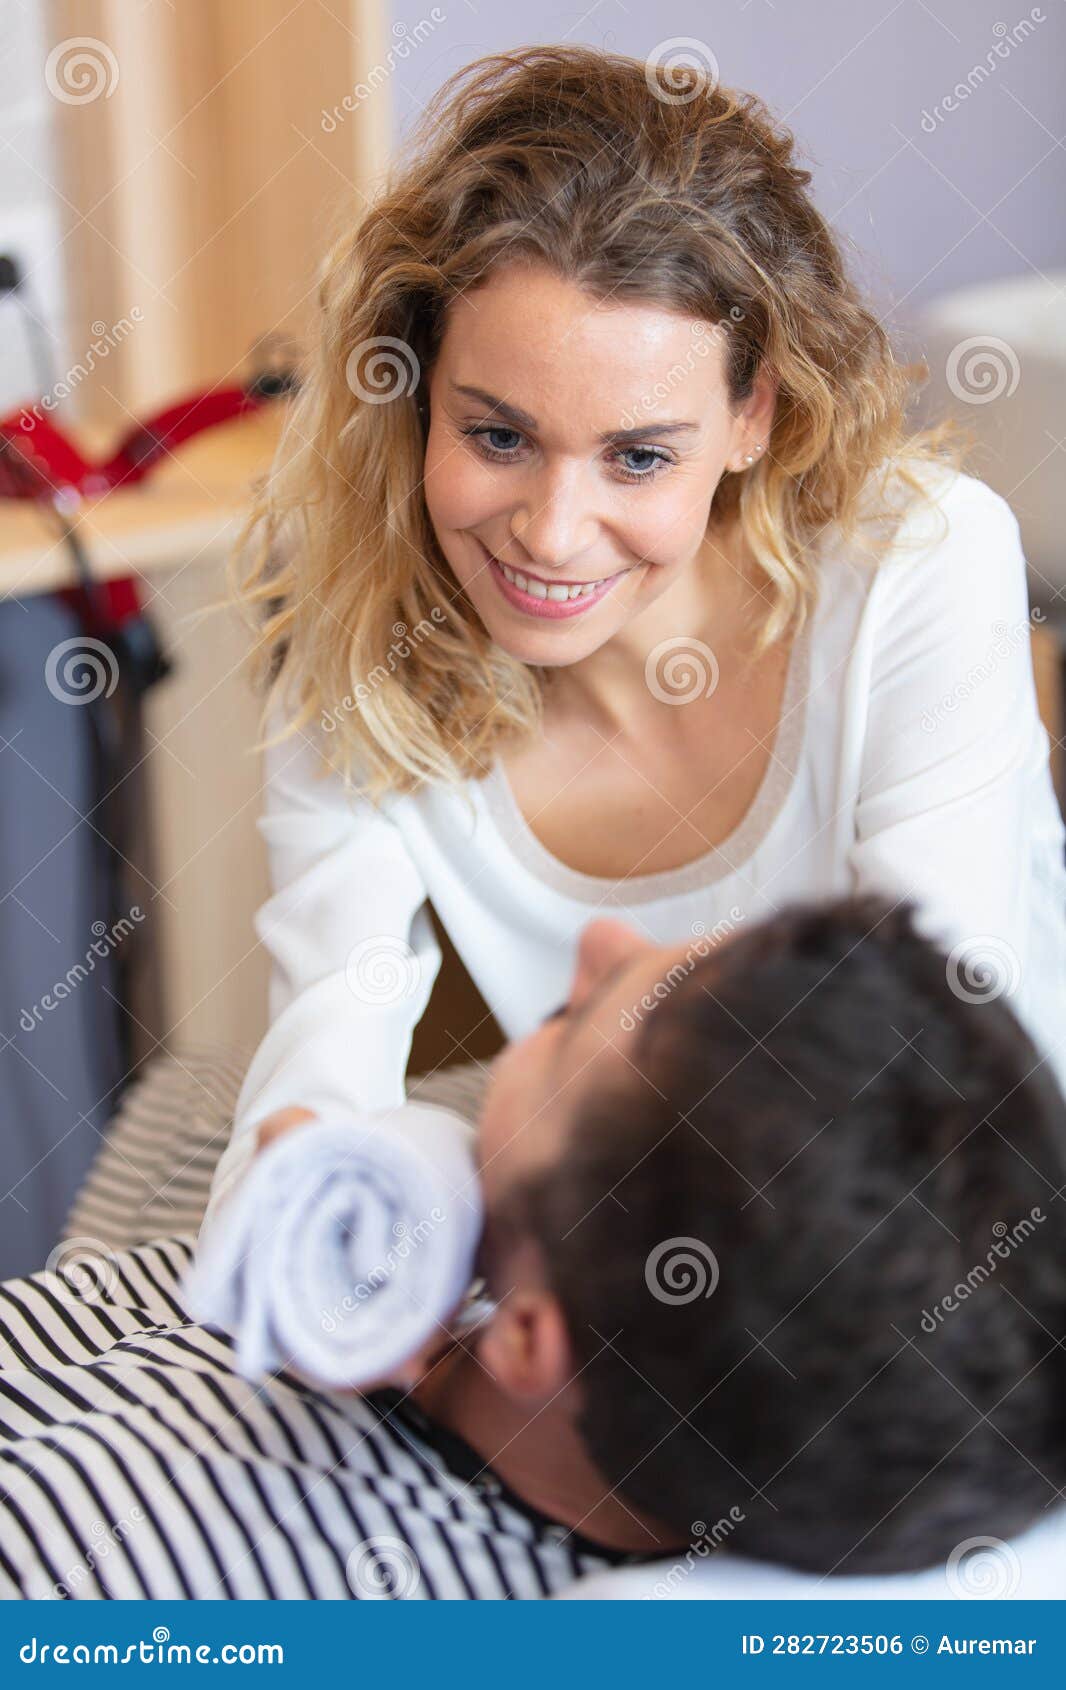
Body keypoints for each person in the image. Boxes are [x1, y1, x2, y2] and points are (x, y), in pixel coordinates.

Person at [199, 43, 1066, 1273]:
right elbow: (316, 1064)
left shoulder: (915, 569)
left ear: (754, 413)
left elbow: (921, 1073)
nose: (551, 533)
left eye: (639, 457)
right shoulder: (357, 640)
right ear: (414, 392)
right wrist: (304, 1199)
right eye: (496, 433)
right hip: (658, 1257)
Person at [0, 891, 1063, 1599]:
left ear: (527, 1338)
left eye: (581, 1014)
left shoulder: (121, 1570)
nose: (602, 935)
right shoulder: (464, 1276)